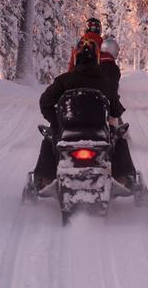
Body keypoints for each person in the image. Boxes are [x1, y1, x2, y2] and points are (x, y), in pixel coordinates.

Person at [31, 40, 138, 190]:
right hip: (99, 134)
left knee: (49, 140)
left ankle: (44, 180)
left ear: (76, 59)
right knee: (119, 139)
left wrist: (56, 121)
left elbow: (45, 102)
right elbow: (116, 110)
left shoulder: (64, 80)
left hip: (67, 133)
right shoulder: (104, 82)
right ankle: (125, 179)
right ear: (96, 60)